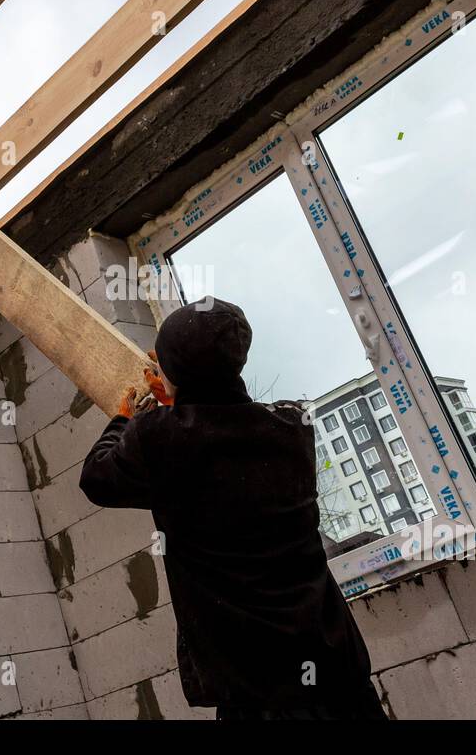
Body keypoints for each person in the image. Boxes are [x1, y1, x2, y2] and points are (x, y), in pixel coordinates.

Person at [79, 296, 386, 720]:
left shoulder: (157, 439)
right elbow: (216, 447)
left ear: (174, 371)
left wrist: (124, 419)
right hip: (337, 673)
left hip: (257, 693)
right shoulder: (291, 428)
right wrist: (180, 402)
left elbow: (97, 479)